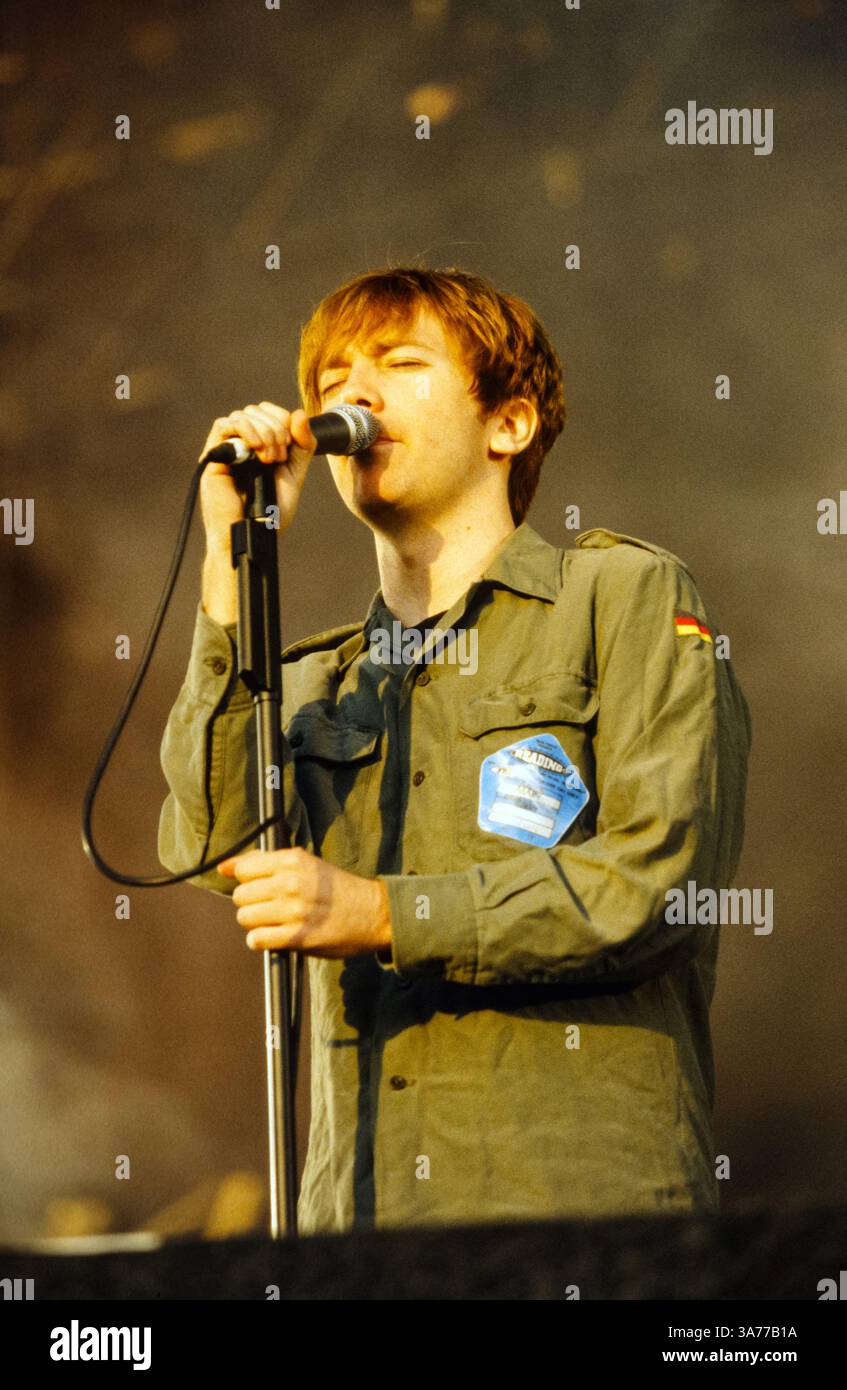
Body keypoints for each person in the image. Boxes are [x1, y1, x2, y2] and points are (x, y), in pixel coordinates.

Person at [158, 266, 752, 1234]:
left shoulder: (621, 597)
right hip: (361, 1221)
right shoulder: (310, 680)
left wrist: (381, 909)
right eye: (334, 377)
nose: (354, 393)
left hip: (576, 1219)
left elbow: (657, 883)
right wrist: (234, 564)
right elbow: (208, 844)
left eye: (398, 363)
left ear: (506, 425)